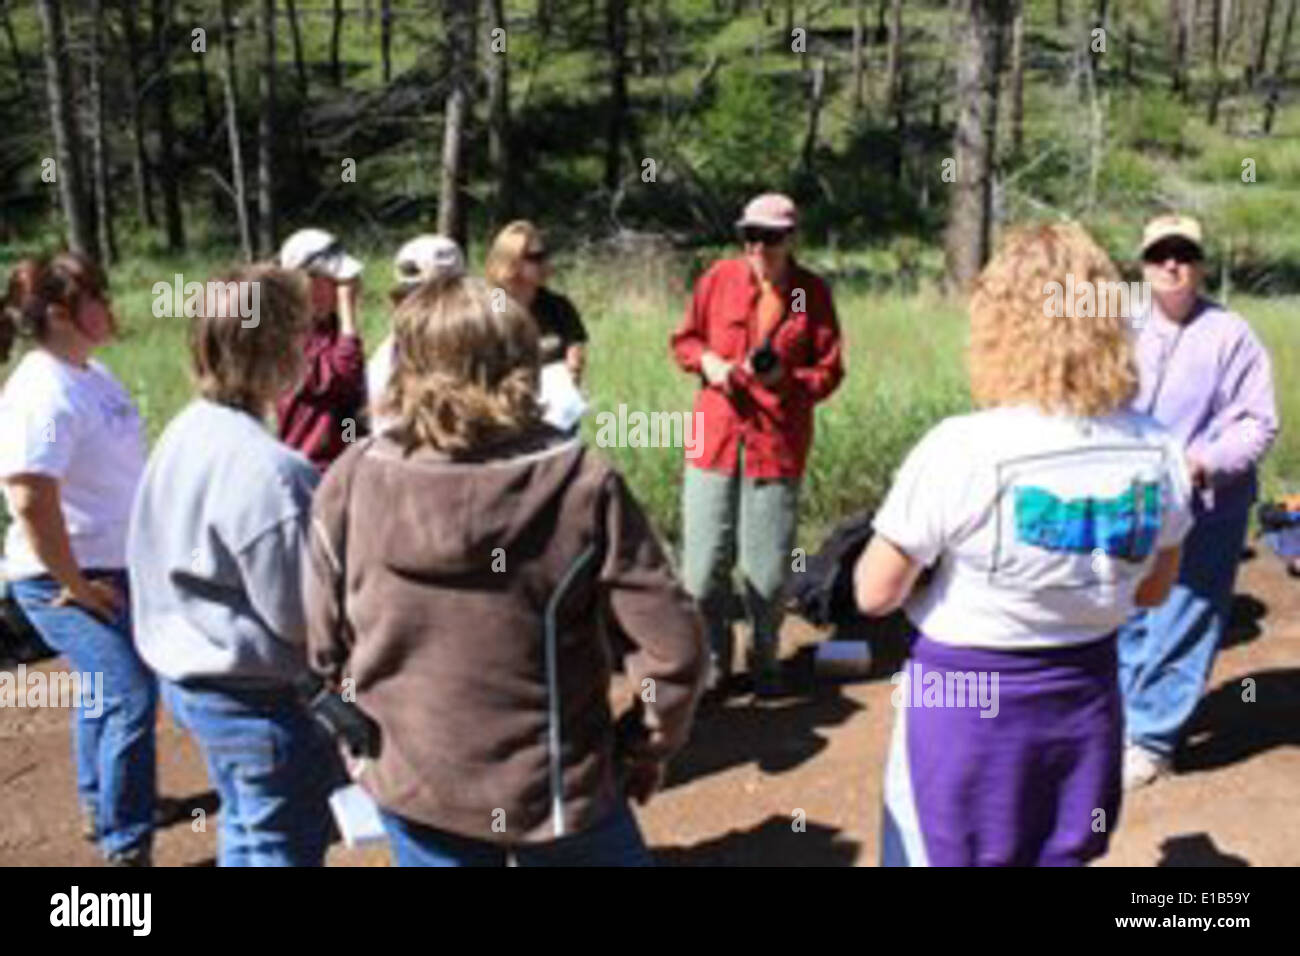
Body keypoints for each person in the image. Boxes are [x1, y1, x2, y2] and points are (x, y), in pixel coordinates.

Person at [303, 275, 706, 867]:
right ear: (519, 362)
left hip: (415, 781)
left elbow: (320, 646)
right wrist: (644, 744)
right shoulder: (579, 481)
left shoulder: (352, 479)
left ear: (406, 366)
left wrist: (358, 741)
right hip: (560, 791)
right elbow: (674, 652)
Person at [855, 222, 1193, 866]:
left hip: (964, 700)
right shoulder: (1160, 448)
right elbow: (1152, 589)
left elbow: (872, 593)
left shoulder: (963, 446)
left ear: (997, 325)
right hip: (1088, 693)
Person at [127, 265, 344, 866]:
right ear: (275, 346)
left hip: (193, 685)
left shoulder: (183, 432)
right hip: (257, 700)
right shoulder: (271, 470)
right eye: (301, 332)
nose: (310, 342)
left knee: (247, 831)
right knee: (280, 845)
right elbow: (301, 618)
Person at [0, 252, 156, 866]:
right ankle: (125, 848)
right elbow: (30, 498)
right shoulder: (41, 390)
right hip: (60, 578)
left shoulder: (90, 372)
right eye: (101, 297)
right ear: (64, 313)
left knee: (101, 692)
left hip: (106, 569)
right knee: (129, 696)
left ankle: (101, 805)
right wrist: (78, 586)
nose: (111, 309)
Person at [1118, 214, 1279, 789]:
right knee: (1130, 612)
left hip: (1209, 506)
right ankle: (1123, 720)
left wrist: (1201, 463)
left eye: (1184, 253)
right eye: (1160, 253)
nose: (1172, 264)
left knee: (1185, 616)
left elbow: (1259, 425)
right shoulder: (1120, 326)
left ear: (1201, 265)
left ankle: (1153, 740)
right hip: (1131, 503)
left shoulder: (1231, 334)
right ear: (1142, 265)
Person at [670, 192, 844, 697]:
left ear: (791, 239)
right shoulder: (719, 279)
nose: (757, 247)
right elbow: (685, 341)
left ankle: (765, 660)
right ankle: (713, 664)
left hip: (775, 443)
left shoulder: (809, 294)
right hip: (716, 438)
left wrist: (785, 379)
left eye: (769, 237)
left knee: (767, 576)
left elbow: (830, 372)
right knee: (701, 573)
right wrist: (708, 363)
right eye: (749, 235)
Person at [276, 227, 369, 470]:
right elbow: (344, 376)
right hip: (309, 466)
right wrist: (348, 313)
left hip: (342, 461)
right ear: (305, 283)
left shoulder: (329, 327)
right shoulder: (287, 336)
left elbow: (350, 398)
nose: (346, 287)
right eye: (336, 281)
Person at [366, 233, 466, 423]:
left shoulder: (482, 342)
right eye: (404, 296)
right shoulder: (383, 361)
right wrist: (354, 449)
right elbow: (351, 424)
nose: (412, 307)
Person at [486, 220, 588, 384]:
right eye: (535, 258)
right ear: (511, 262)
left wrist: (574, 367)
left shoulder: (558, 306)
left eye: (544, 255)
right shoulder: (495, 302)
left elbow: (574, 344)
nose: (544, 263)